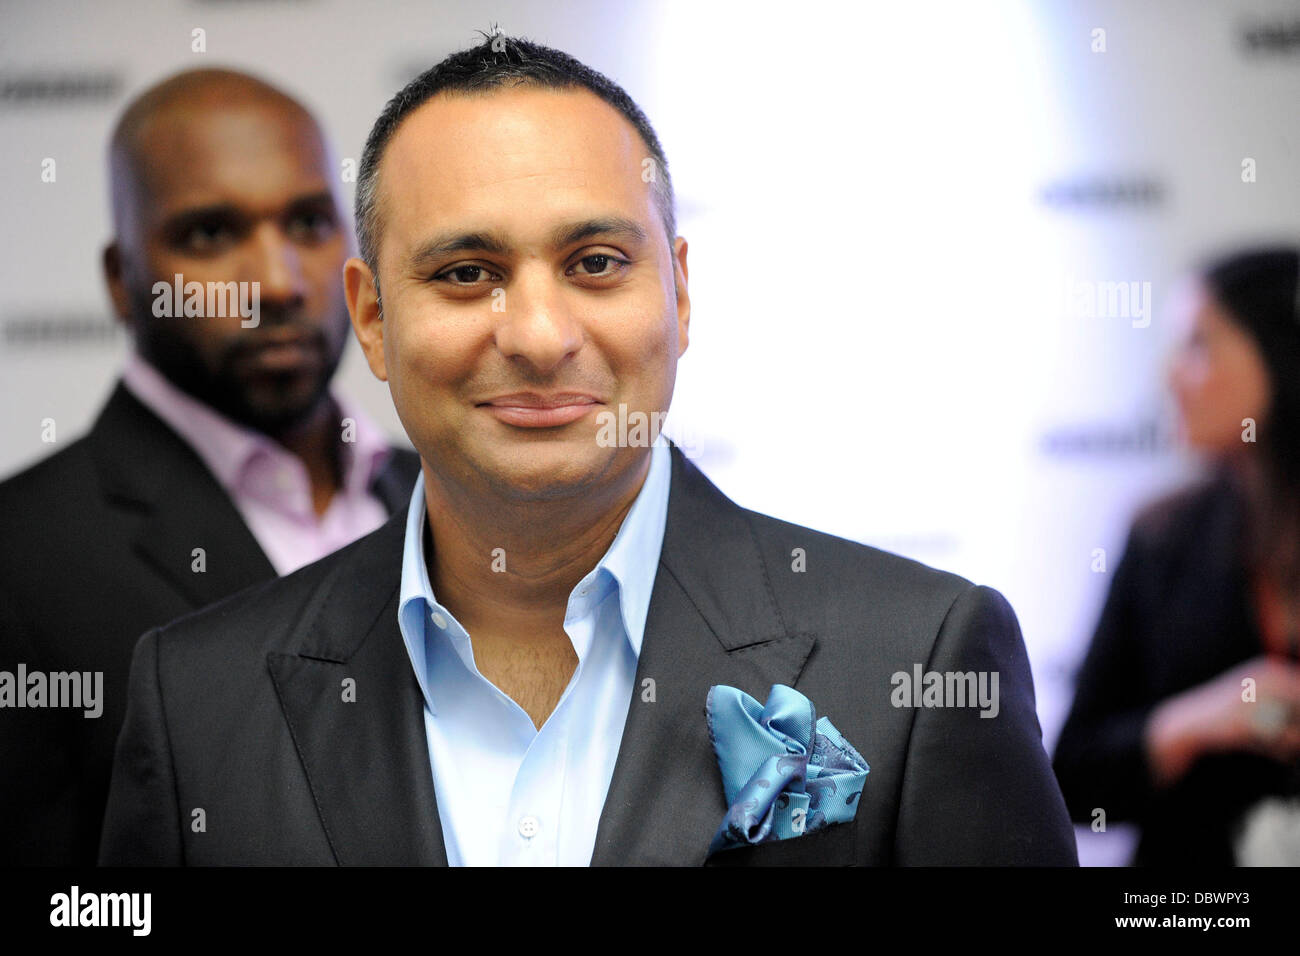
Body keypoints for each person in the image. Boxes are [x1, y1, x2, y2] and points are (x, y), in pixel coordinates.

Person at [99, 36, 1076, 866]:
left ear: (679, 295)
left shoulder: (920, 660)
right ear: (373, 317)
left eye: (596, 263)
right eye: (466, 270)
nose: (535, 332)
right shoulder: (197, 701)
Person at [0, 68, 420, 865]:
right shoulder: (20, 561)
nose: (277, 282)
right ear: (124, 282)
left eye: (307, 221)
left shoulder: (449, 501)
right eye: (209, 234)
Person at [1053, 246, 1300, 866]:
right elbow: (1074, 778)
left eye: (1199, 345)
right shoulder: (1163, 535)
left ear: (1282, 354)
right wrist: (1203, 717)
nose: (1169, 378)